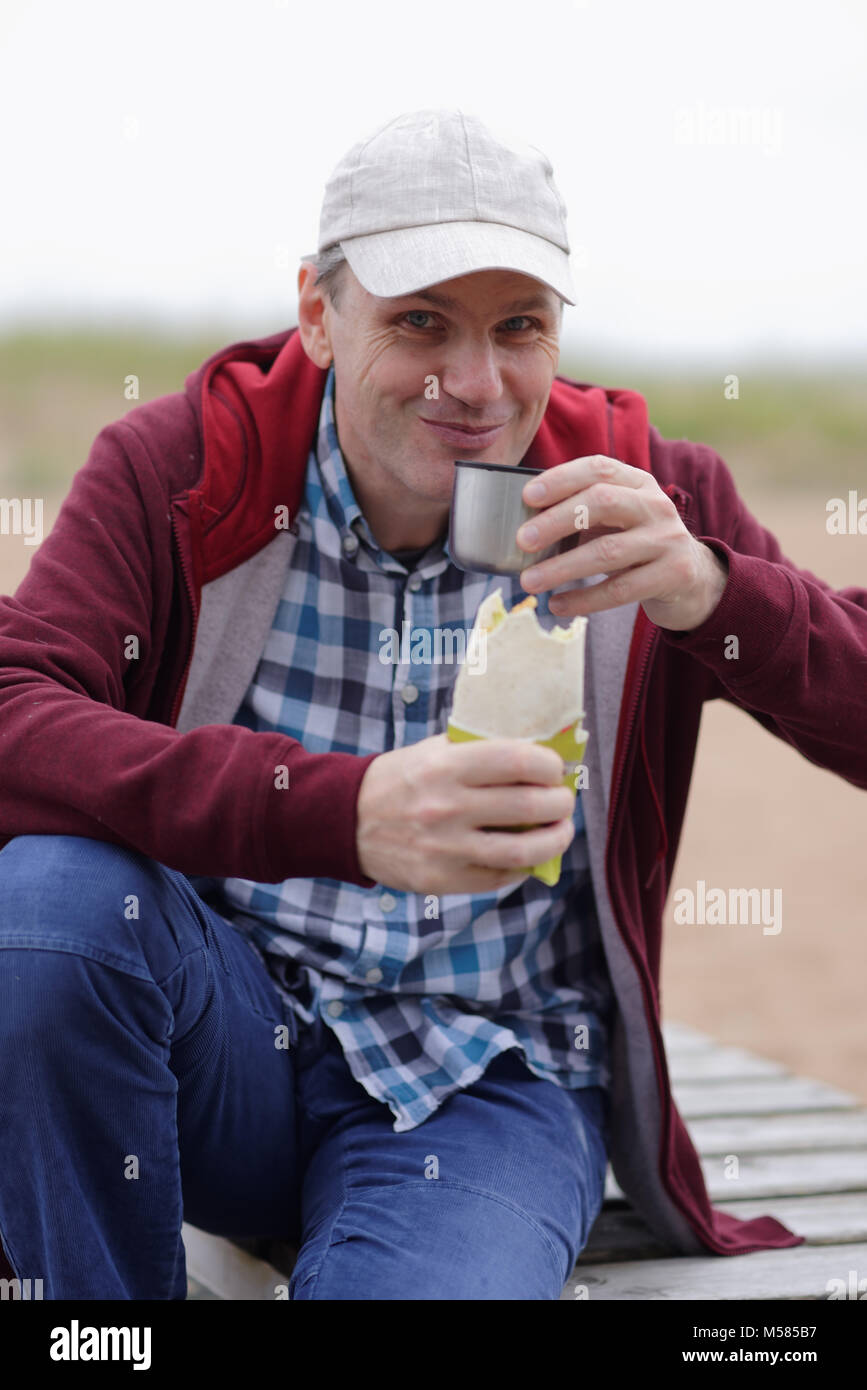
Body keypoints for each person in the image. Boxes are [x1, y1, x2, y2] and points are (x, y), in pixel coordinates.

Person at [0, 108, 864, 1302]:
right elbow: (12, 711)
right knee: (48, 907)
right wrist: (334, 811)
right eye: (420, 323)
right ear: (317, 313)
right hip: (228, 1043)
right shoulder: (186, 467)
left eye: (520, 327)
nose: (477, 382)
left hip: (495, 1074)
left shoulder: (640, 493)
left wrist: (718, 594)